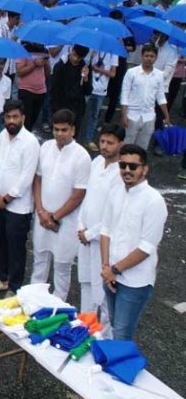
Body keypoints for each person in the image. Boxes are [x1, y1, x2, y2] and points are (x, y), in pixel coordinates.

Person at [100, 144, 168, 341]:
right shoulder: (115, 191)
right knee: (113, 324)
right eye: (123, 165)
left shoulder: (153, 201)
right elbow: (105, 230)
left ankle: (121, 371)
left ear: (144, 169)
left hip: (135, 281)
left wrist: (115, 269)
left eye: (133, 166)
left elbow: (147, 247)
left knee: (122, 332)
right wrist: (106, 267)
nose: (127, 170)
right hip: (111, 274)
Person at [31, 108, 90, 302]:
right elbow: (38, 179)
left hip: (66, 222)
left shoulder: (82, 156)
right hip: (42, 217)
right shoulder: (46, 147)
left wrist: (55, 216)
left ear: (73, 130)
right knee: (39, 259)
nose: (59, 134)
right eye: (56, 129)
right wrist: (40, 210)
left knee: (62, 265)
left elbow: (78, 194)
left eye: (64, 130)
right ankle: (34, 302)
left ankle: (57, 307)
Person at [0, 99, 40, 297]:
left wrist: (6, 198)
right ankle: (1, 278)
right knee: (0, 243)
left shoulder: (30, 142)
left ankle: (14, 287)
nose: (11, 121)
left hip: (18, 207)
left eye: (15, 117)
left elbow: (27, 177)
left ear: (23, 118)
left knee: (16, 248)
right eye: (8, 117)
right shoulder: (2, 136)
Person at [78, 124, 124, 320]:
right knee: (85, 283)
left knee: (103, 292)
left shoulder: (121, 173)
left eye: (110, 143)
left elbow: (113, 214)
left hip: (103, 242)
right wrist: (81, 226)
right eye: (102, 141)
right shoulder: (96, 162)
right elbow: (87, 198)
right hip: (84, 236)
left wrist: (90, 233)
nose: (104, 146)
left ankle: (104, 338)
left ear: (120, 144)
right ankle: (85, 328)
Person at [121, 43, 169, 149]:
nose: (149, 59)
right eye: (146, 56)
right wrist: (124, 114)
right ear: (142, 56)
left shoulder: (159, 75)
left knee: (142, 147)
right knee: (127, 145)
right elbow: (124, 94)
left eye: (152, 56)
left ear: (156, 58)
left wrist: (167, 116)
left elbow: (161, 97)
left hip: (149, 116)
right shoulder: (131, 72)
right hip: (132, 115)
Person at [83, 51, 118, 150]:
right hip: (88, 86)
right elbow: (84, 64)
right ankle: (73, 136)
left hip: (101, 90)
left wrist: (98, 69)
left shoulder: (113, 53)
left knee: (94, 115)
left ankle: (88, 140)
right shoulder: (92, 49)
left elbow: (113, 73)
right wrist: (91, 57)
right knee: (80, 111)